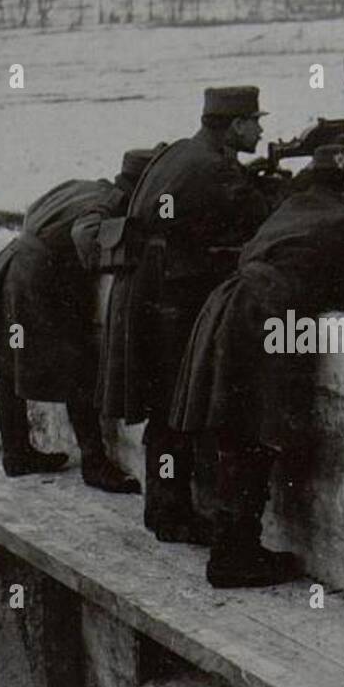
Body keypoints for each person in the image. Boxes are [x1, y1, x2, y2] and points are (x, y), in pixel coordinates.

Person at [168, 142, 344, 588]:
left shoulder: (297, 208)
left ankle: (232, 549)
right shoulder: (343, 220)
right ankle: (235, 558)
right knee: (257, 431)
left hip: (232, 305)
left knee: (235, 430)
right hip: (267, 314)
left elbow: (326, 247)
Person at [98, 87, 271, 544]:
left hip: (145, 290)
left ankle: (164, 509)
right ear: (234, 125)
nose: (260, 129)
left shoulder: (182, 151)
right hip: (167, 300)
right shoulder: (214, 168)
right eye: (254, 121)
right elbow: (261, 219)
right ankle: (171, 514)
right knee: (176, 407)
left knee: (164, 408)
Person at [0, 150, 153, 491]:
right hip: (39, 277)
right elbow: (86, 236)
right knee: (77, 366)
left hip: (13, 261)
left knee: (10, 360)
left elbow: (35, 209)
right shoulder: (108, 204)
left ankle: (16, 453)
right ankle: (94, 464)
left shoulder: (84, 186)